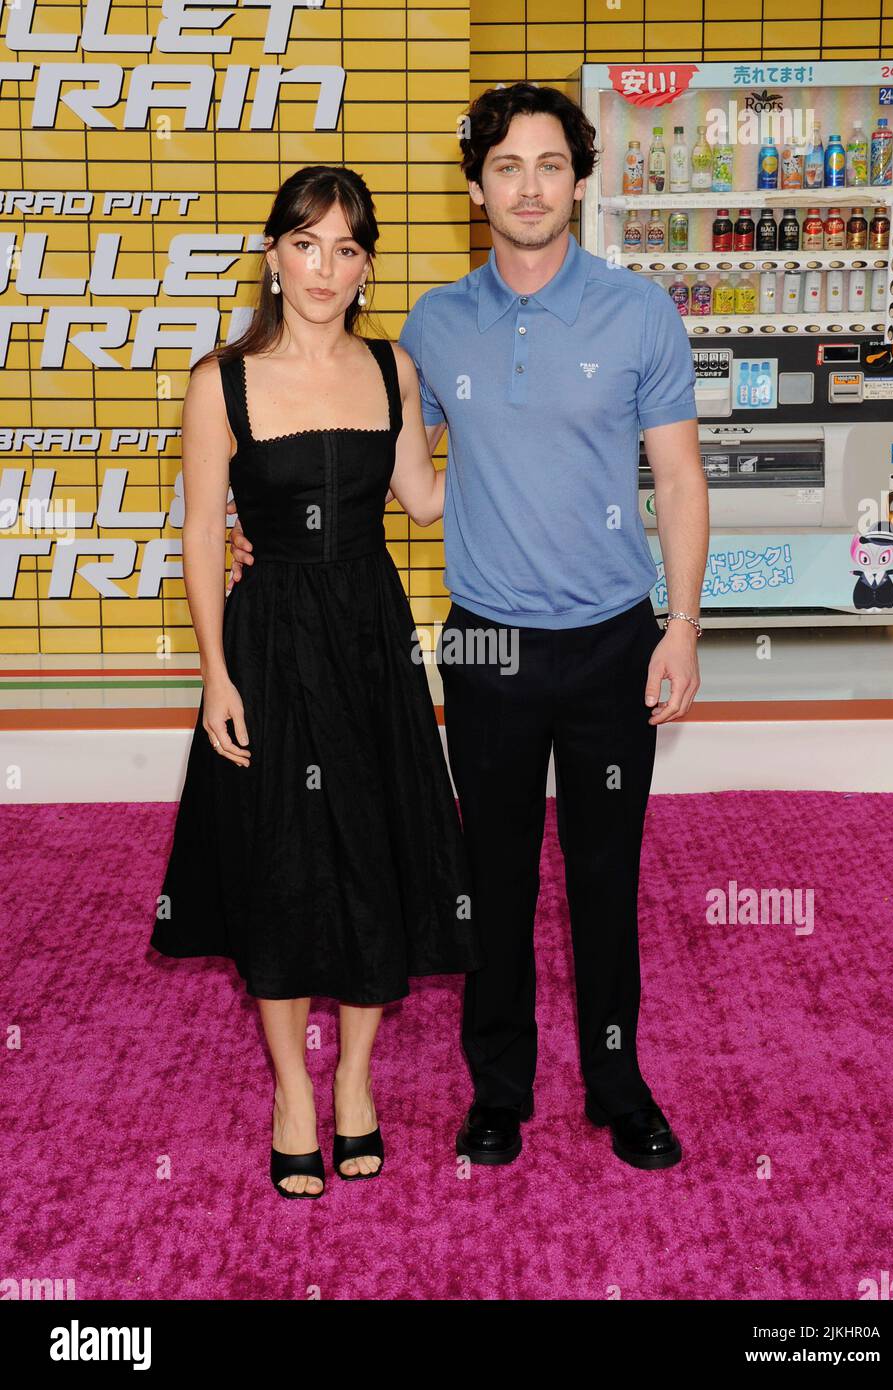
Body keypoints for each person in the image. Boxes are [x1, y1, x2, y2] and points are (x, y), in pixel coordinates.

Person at [229, 85, 709, 1173]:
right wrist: (252, 528)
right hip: (485, 645)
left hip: (612, 642)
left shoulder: (639, 313)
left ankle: (619, 1085)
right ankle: (499, 1090)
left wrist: (681, 625)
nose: (529, 185)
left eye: (549, 164)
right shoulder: (433, 326)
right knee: (488, 879)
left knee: (605, 877)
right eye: (506, 166)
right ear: (477, 186)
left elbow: (679, 481)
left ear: (579, 181)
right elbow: (389, 471)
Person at [149, 165, 481, 1200]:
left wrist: (513, 424)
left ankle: (359, 1088)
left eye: (346, 247)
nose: (325, 265)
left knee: (376, 851)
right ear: (273, 256)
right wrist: (214, 674)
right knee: (282, 862)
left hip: (373, 636)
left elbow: (424, 503)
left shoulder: (395, 372)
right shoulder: (223, 380)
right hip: (268, 643)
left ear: (367, 266)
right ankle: (295, 1088)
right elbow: (205, 531)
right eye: (306, 242)